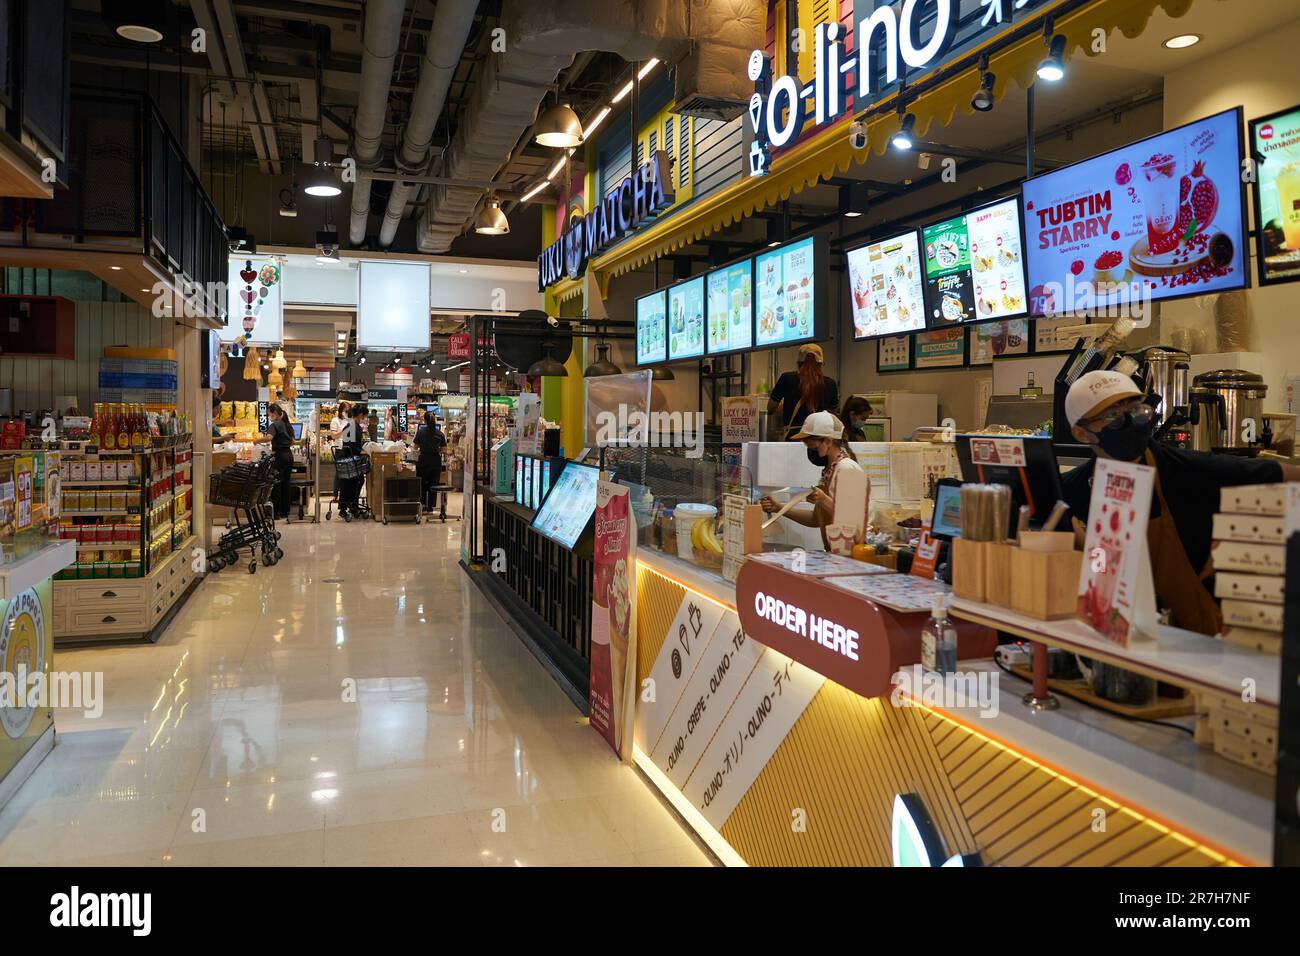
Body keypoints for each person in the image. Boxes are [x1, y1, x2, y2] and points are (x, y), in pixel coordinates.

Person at [1061, 369, 1299, 635]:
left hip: (1192, 642)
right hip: (1109, 637)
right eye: (1113, 416)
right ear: (1082, 434)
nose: (1131, 421)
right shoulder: (1073, 490)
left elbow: (1280, 475)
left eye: (1136, 409)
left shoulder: (1187, 470)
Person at [759, 410, 865, 549]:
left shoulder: (847, 469)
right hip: (835, 554)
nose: (811, 451)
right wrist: (779, 508)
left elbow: (853, 520)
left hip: (852, 556)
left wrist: (823, 499)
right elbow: (815, 519)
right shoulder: (829, 472)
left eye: (813, 446)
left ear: (828, 441)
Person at [768, 343, 838, 440]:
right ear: (821, 364)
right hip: (820, 440)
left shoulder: (787, 378)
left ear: (798, 363)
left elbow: (771, 407)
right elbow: (831, 415)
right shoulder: (831, 383)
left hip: (794, 437)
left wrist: (788, 406)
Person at [253, 403, 295, 520]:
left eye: (269, 414)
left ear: (274, 413)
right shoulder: (287, 424)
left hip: (279, 457)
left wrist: (256, 441)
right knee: (286, 483)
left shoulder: (274, 425)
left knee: (276, 484)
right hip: (289, 456)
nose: (268, 416)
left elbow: (269, 438)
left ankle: (277, 512)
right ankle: (286, 511)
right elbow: (293, 441)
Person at [336, 404, 369, 519]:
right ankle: (347, 507)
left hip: (351, 459)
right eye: (365, 416)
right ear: (360, 415)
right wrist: (362, 452)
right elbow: (349, 446)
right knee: (354, 481)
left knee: (356, 481)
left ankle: (353, 505)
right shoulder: (352, 426)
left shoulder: (353, 425)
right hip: (350, 460)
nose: (365, 419)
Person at [413, 411, 447, 514]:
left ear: (424, 421)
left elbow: (415, 446)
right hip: (435, 461)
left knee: (422, 483)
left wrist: (424, 447)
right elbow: (444, 450)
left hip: (423, 460)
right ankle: (431, 507)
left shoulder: (421, 432)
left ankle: (422, 505)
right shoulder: (440, 434)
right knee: (433, 484)